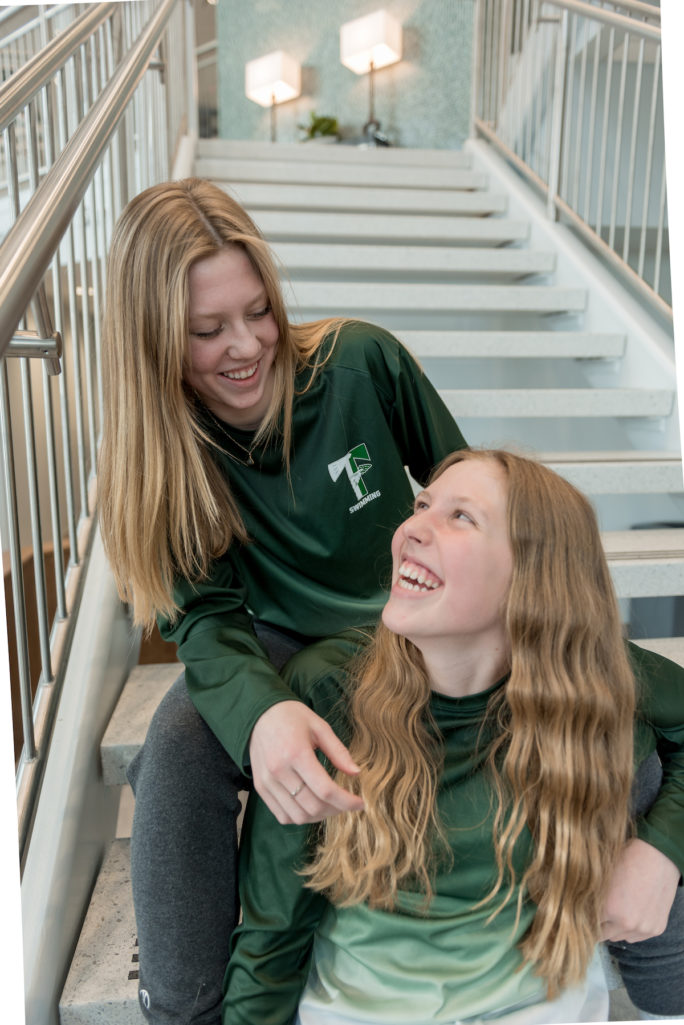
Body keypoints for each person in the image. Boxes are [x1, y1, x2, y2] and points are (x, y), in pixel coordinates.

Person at [97, 177, 468, 1025]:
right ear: (154, 340)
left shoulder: (361, 362)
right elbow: (206, 621)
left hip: (408, 626)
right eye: (207, 330)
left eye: (258, 311)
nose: (247, 345)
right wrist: (263, 719)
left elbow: (471, 499)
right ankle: (182, 1007)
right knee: (182, 737)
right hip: (279, 649)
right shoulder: (168, 454)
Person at [222, 449, 684, 1025]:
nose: (411, 526)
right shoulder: (329, 689)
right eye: (421, 505)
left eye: (461, 517)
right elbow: (273, 931)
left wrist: (662, 853)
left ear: (533, 576)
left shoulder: (595, 691)